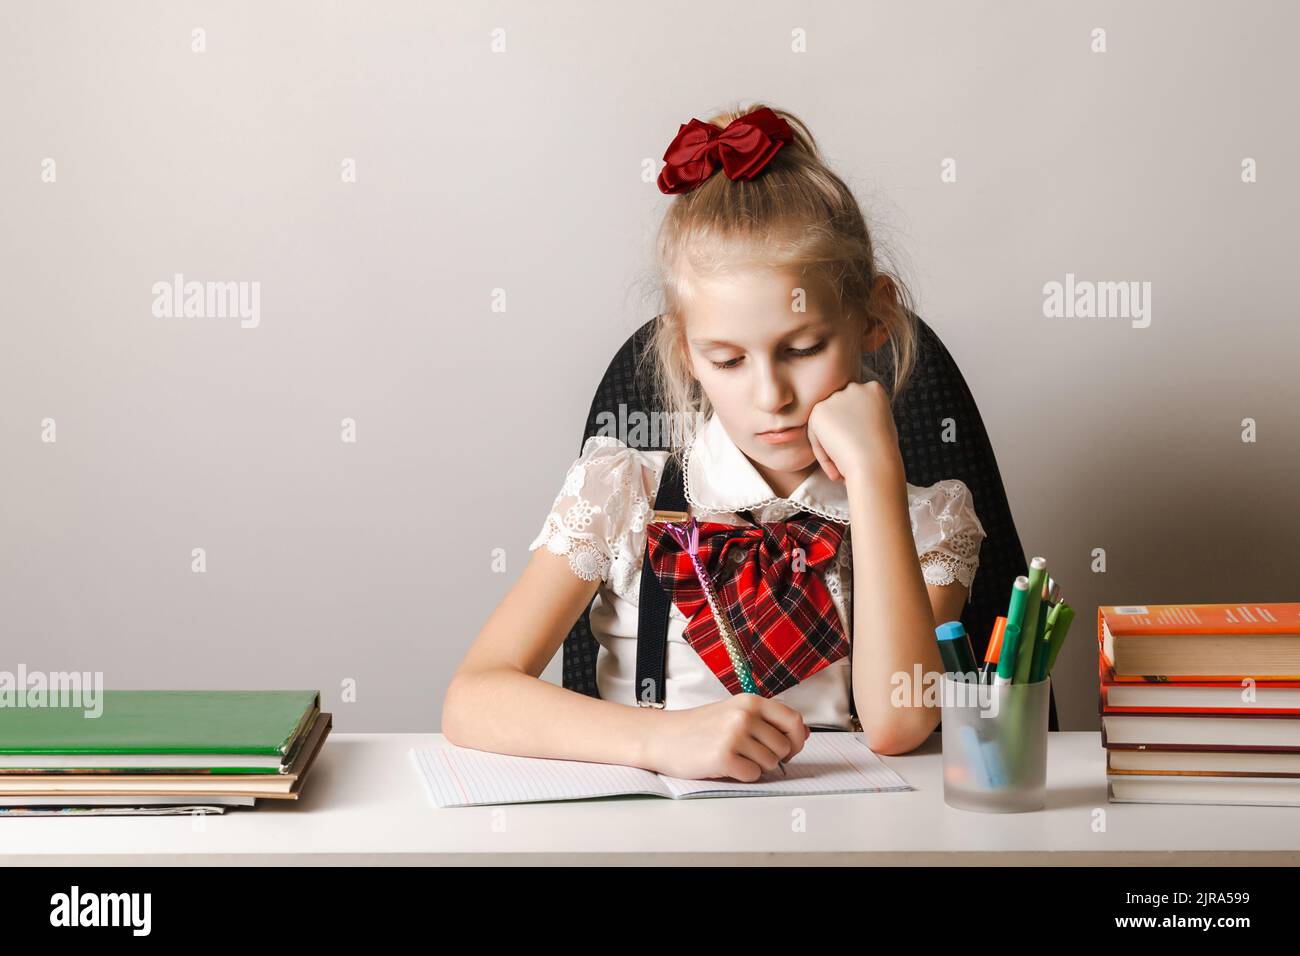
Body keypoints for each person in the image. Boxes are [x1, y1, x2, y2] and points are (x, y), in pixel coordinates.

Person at [443, 103, 986, 781]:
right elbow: (474, 698)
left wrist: (876, 471)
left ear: (873, 317)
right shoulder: (621, 492)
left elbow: (901, 721)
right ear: (686, 351)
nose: (771, 395)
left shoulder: (927, 520)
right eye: (729, 360)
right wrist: (658, 741)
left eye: (805, 347)